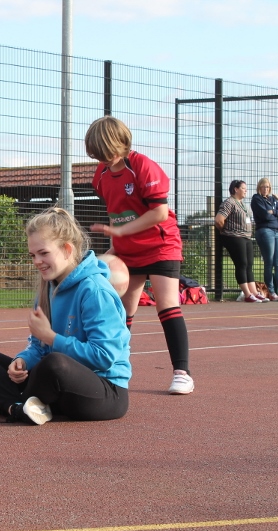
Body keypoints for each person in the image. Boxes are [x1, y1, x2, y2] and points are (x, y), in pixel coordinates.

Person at [0, 208, 131, 425]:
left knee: (54, 364)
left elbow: (104, 357)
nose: (37, 261)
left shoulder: (94, 291)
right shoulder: (47, 288)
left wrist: (53, 338)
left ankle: (8, 403)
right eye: (33, 255)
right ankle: (19, 407)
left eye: (43, 253)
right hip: (58, 387)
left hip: (104, 392)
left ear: (67, 249)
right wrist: (22, 361)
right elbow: (38, 347)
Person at [85, 116, 194, 395]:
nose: (100, 158)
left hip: (161, 245)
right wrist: (115, 246)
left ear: (117, 143)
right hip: (129, 251)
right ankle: (113, 369)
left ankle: (182, 373)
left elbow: (158, 213)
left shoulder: (143, 166)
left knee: (167, 306)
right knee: (122, 312)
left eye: (102, 150)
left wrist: (119, 233)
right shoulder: (101, 175)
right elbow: (118, 212)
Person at [215, 180, 268, 303]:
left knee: (249, 265)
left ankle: (254, 293)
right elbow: (219, 220)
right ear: (235, 189)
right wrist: (227, 230)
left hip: (246, 237)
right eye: (243, 188)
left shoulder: (242, 204)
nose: (246, 190)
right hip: (234, 237)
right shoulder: (229, 202)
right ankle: (247, 294)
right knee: (242, 264)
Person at [250, 177, 278, 301]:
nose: (265, 189)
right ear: (259, 187)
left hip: (277, 232)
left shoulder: (272, 200)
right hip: (265, 231)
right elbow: (265, 215)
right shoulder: (256, 199)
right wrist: (272, 213)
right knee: (269, 262)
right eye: (263, 186)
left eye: (267, 187)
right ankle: (271, 291)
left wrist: (274, 211)